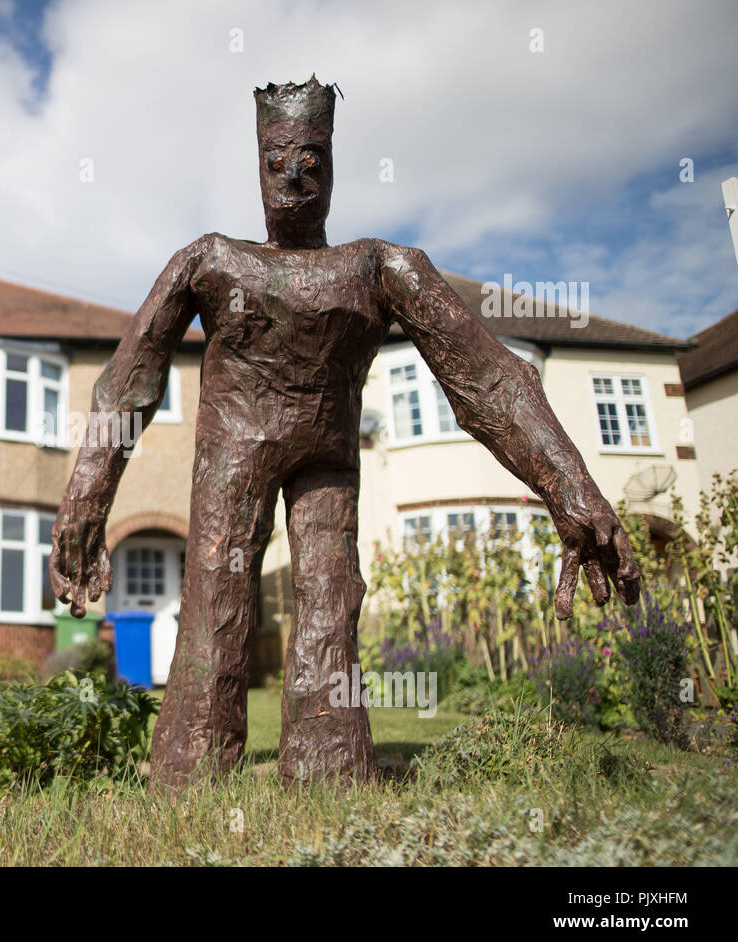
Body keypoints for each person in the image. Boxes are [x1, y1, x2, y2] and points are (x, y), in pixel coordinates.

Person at [49, 77, 641, 792]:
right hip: (234, 448)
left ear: (331, 167)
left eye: (312, 161)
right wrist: (87, 494)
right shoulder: (212, 261)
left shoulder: (381, 268)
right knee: (215, 595)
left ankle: (327, 771)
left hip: (328, 459)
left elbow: (489, 380)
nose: (294, 176)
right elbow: (129, 381)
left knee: (331, 602)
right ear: (258, 166)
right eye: (276, 162)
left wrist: (569, 488)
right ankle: (191, 775)